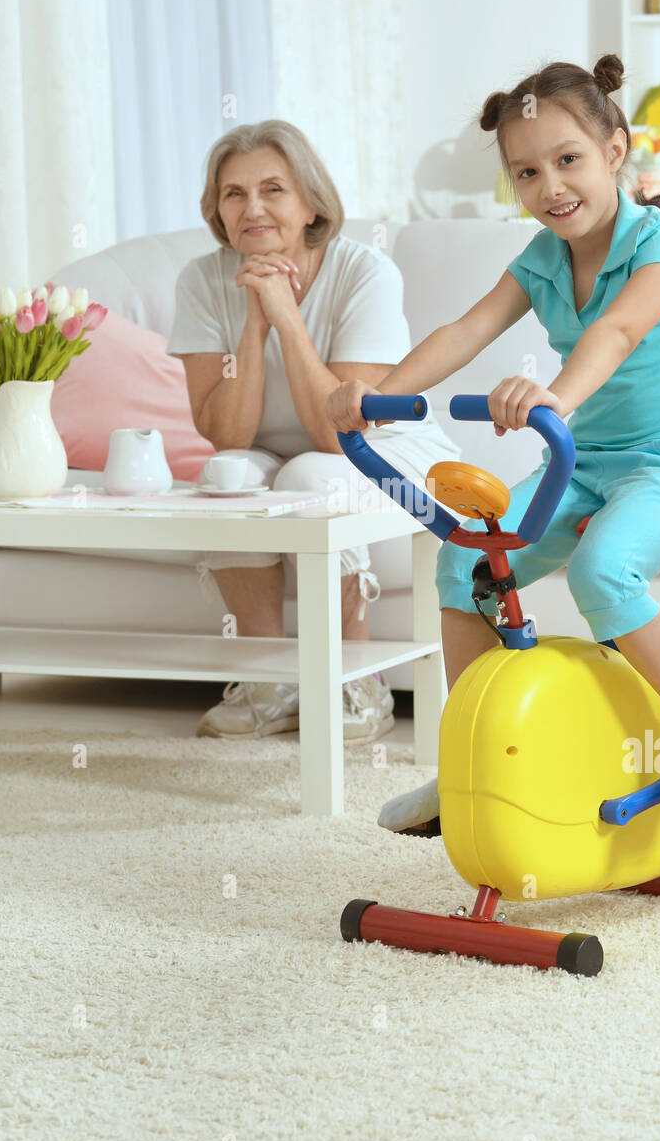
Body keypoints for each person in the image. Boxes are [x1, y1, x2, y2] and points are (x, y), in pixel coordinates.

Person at [327, 53, 660, 833]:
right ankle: (471, 767)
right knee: (463, 561)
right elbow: (466, 328)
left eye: (567, 161)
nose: (549, 187)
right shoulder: (542, 259)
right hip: (584, 464)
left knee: (602, 570)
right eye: (525, 174)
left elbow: (618, 331)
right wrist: (376, 396)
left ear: (613, 152)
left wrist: (552, 397)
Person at [167, 119, 461, 742]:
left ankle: (358, 681)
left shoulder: (366, 272)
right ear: (217, 209)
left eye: (273, 189)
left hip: (383, 451)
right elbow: (225, 433)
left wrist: (286, 316)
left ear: (310, 203)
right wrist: (253, 323)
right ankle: (268, 681)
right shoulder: (202, 279)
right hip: (280, 451)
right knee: (226, 474)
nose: (253, 208)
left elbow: (341, 434)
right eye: (234, 194)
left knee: (311, 473)